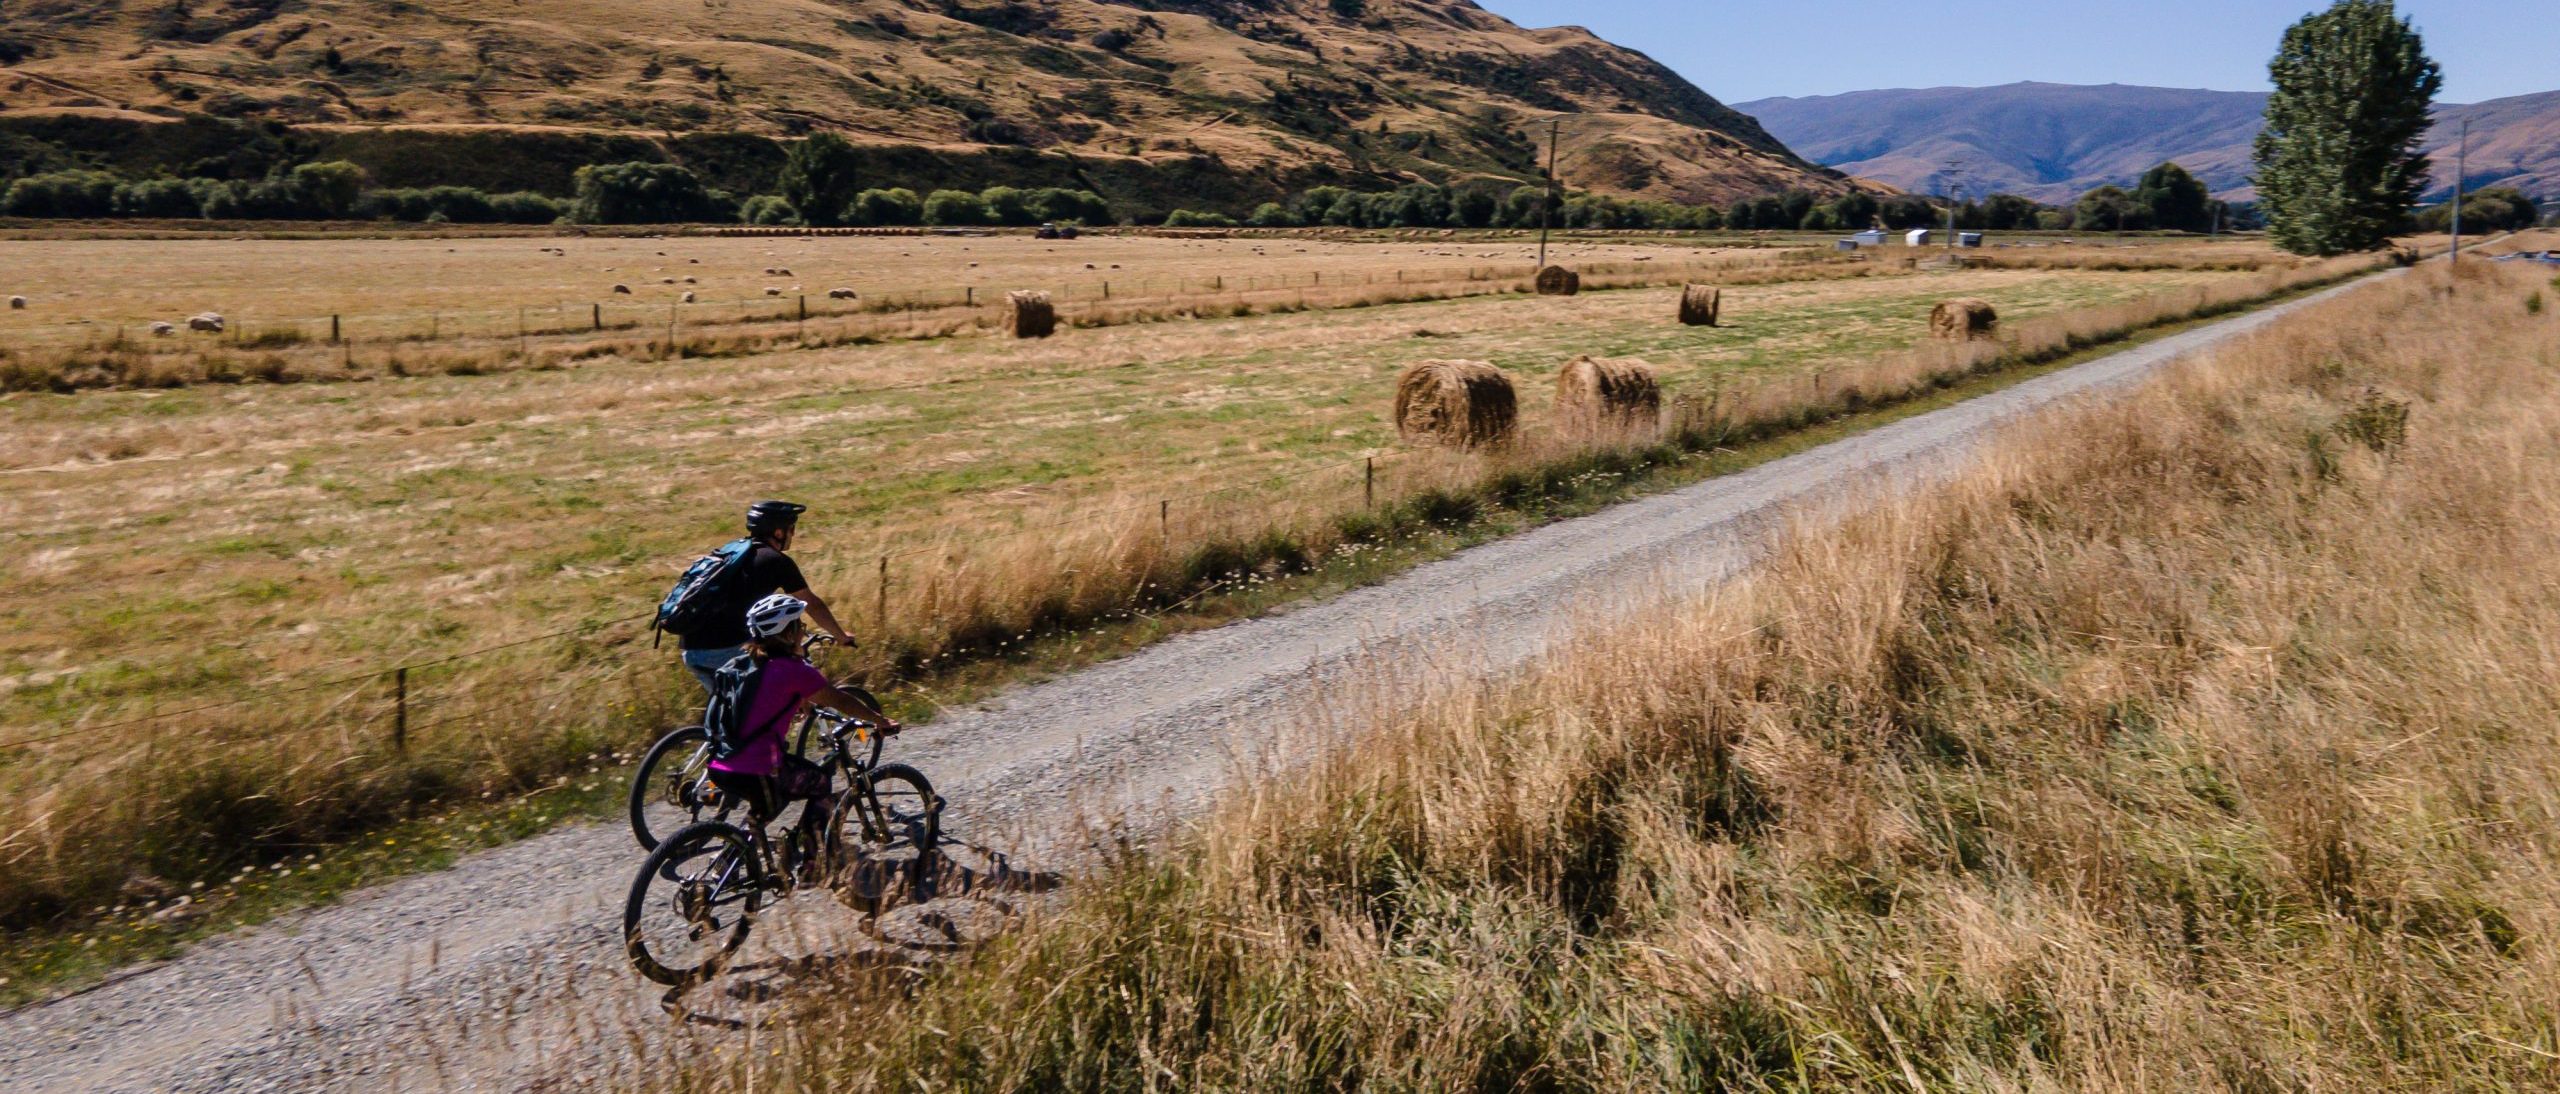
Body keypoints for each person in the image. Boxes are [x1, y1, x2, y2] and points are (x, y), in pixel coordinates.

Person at [705, 594, 898, 856]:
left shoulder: (745, 662)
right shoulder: (795, 671)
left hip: (719, 763)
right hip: (756, 769)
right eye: (799, 625)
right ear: (786, 633)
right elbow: (838, 699)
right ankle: (811, 863)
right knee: (818, 782)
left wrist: (798, 702)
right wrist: (879, 720)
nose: (803, 631)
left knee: (766, 807)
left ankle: (732, 861)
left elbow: (766, 699)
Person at [678, 500, 854, 694]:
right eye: (791, 530)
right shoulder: (777, 561)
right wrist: (841, 636)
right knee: (781, 688)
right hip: (724, 649)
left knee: (734, 717)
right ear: (778, 533)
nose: (793, 535)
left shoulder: (732, 552)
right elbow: (811, 604)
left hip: (692, 648)